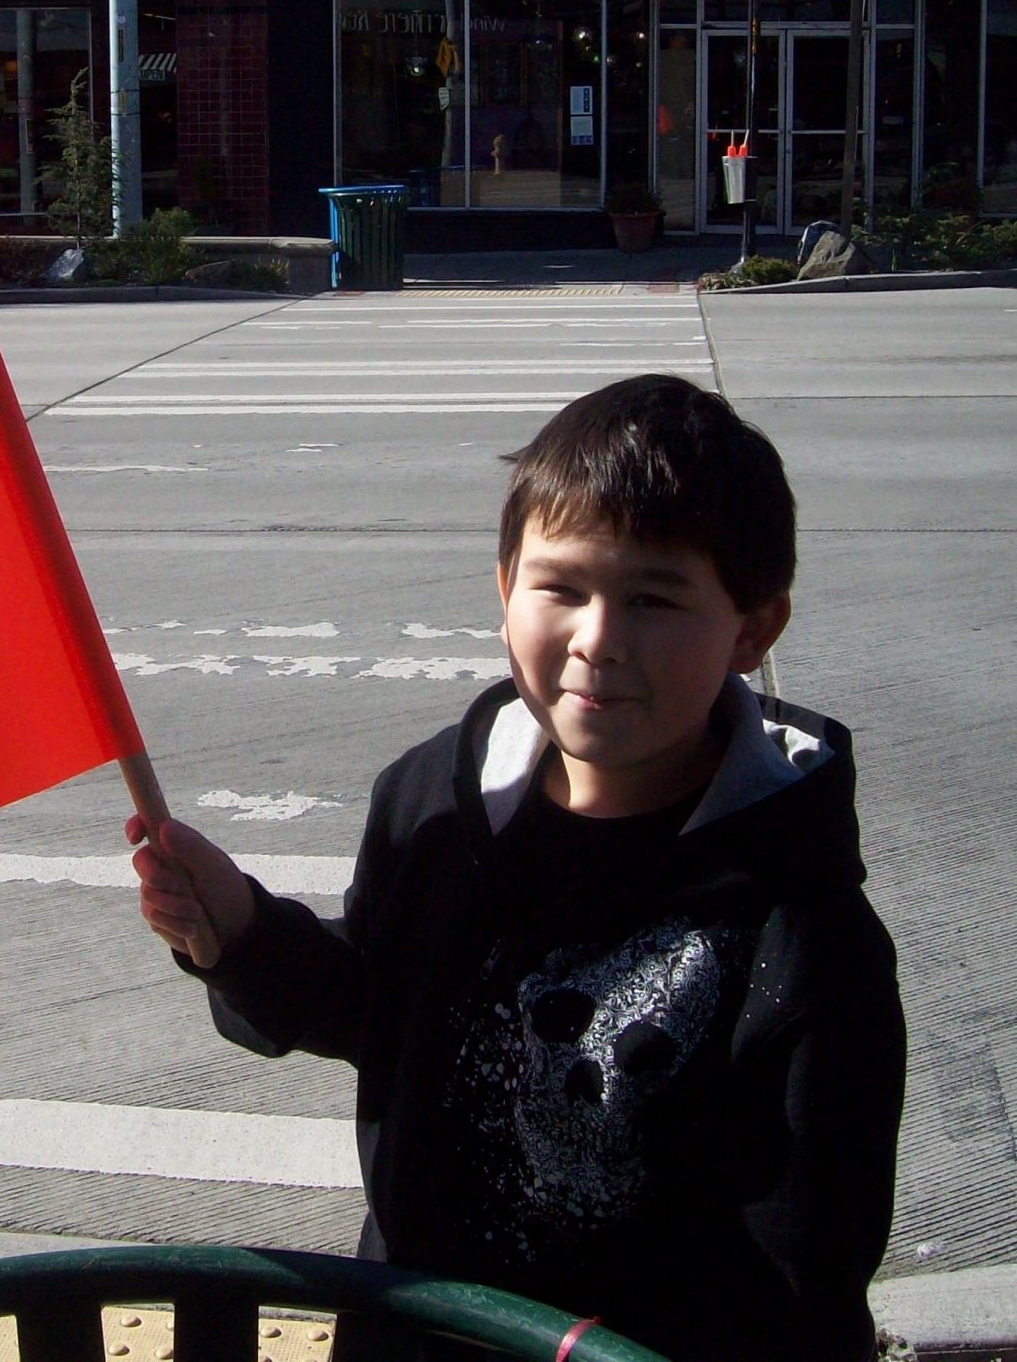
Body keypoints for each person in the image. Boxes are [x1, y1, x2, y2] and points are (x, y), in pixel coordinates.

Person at [127, 374, 905, 1362]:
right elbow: (377, 1013)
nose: (597, 641)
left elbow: (802, 1273)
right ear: (504, 590)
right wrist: (236, 936)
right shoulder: (435, 807)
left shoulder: (800, 930)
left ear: (750, 629)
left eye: (653, 598)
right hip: (412, 1329)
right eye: (561, 587)